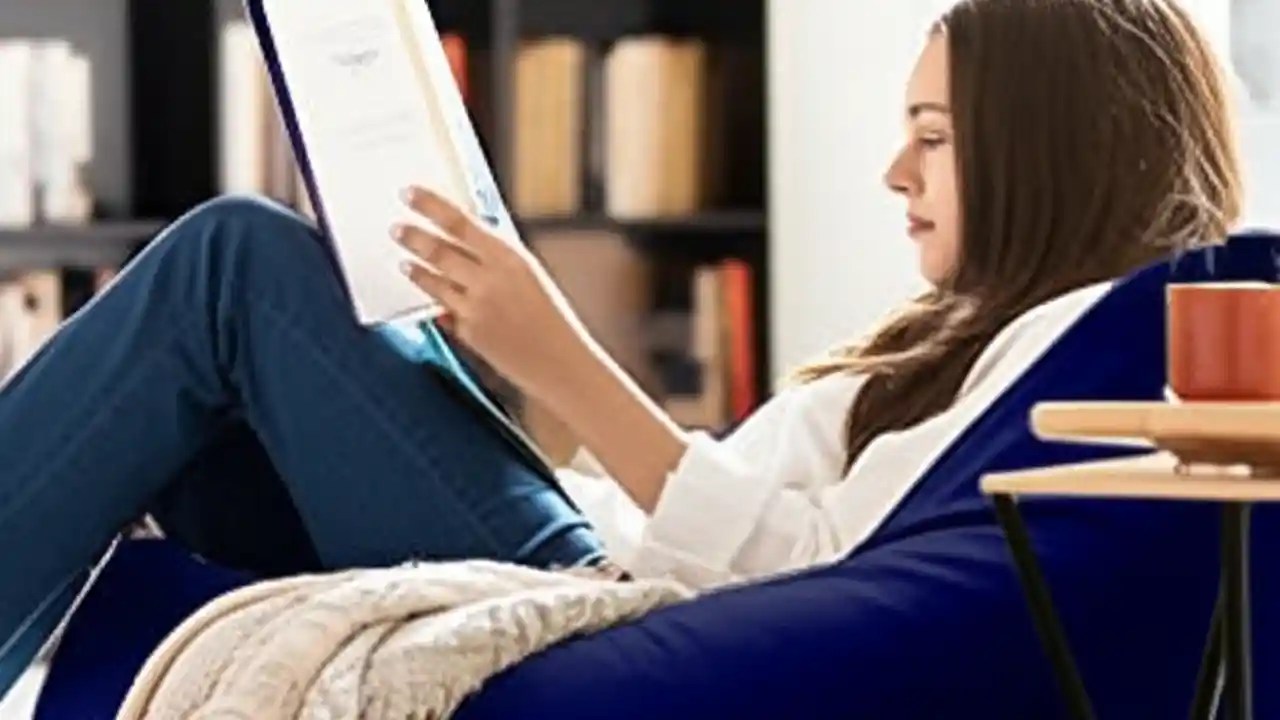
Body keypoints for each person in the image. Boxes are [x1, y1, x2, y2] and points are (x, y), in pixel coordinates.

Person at [0, 0, 1243, 698]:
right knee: (238, 398)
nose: (892, 172)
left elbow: (821, 576)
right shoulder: (981, 340)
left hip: (611, 594)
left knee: (238, 268)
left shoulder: (1064, 341)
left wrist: (562, 364)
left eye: (934, 136)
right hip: (606, 545)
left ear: (1052, 153)